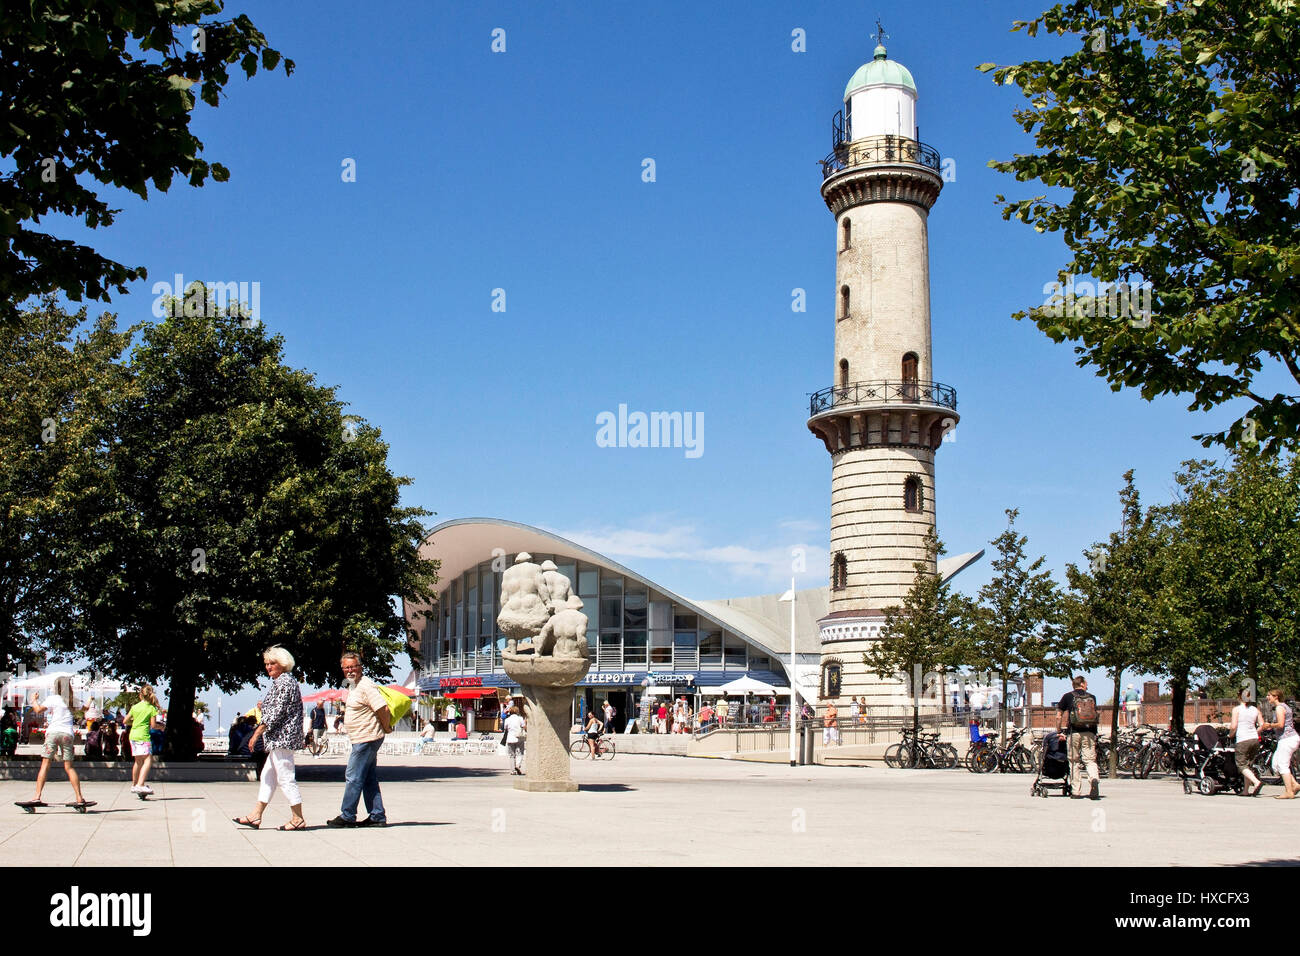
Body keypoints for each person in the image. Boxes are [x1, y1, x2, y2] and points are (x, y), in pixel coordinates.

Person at [235, 646, 307, 830]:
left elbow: (276, 713)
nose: (268, 667)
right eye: (266, 664)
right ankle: (255, 816)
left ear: (283, 664)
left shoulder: (284, 683)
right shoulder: (281, 682)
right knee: (268, 776)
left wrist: (257, 733)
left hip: (282, 739)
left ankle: (297, 818)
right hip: (277, 739)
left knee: (286, 777)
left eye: (272, 663)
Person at [328, 651, 392, 828]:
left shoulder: (366, 685)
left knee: (353, 776)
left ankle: (347, 815)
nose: (350, 670)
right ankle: (377, 815)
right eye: (346, 667)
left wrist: (386, 727)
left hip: (367, 737)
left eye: (353, 666)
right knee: (368, 778)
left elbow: (383, 709)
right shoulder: (352, 685)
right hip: (361, 738)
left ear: (360, 667)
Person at [25, 678, 89, 806]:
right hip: (67, 734)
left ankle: (37, 796)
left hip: (53, 733)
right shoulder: (73, 700)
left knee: (45, 765)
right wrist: (89, 700)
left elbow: (38, 710)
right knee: (69, 767)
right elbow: (84, 710)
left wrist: (33, 699)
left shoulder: (53, 698)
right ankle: (79, 797)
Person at [1056, 675, 1100, 800]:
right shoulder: (1092, 697)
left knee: (1074, 761)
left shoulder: (1068, 696)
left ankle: (1076, 791)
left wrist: (1059, 731)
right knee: (1090, 760)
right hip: (1090, 732)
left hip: (1073, 732)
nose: (1087, 685)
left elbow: (1058, 716)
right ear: (1081, 684)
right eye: (1086, 683)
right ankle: (1094, 779)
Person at [123, 685, 162, 796]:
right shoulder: (151, 708)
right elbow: (153, 725)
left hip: (133, 735)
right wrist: (162, 727)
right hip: (143, 736)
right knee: (148, 760)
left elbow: (125, 721)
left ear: (141, 695)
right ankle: (140, 784)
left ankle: (135, 785)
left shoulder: (135, 707)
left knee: (137, 761)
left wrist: (135, 722)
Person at [1262, 689, 1298, 800]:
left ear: (1276, 696)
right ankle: (1295, 785)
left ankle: (1288, 791)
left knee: (1283, 765)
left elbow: (1281, 724)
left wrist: (1269, 725)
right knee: (1276, 764)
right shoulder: (1284, 706)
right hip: (1289, 739)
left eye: (1269, 695)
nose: (1267, 697)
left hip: (1287, 739)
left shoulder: (1279, 707)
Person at [1230, 689, 1265, 796]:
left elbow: (1234, 726)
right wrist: (1255, 731)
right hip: (1254, 739)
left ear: (1239, 696)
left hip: (1243, 739)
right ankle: (1245, 790)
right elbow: (1262, 724)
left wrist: (1230, 735)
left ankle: (1256, 782)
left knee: (1241, 765)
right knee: (1248, 766)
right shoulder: (1255, 709)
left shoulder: (1237, 709)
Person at [504, 704, 526, 774]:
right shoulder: (520, 718)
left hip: (510, 738)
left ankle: (512, 770)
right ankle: (518, 765)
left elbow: (505, 728)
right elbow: (523, 726)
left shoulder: (507, 719)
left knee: (511, 755)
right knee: (520, 752)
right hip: (519, 737)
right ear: (517, 711)